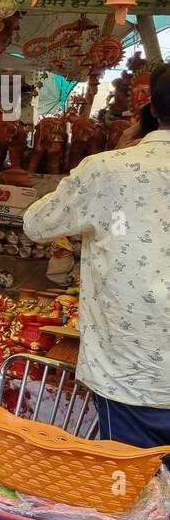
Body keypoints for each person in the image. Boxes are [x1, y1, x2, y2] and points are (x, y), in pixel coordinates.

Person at [22, 64, 170, 450]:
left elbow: (36, 223)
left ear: (150, 108)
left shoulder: (108, 170)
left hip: (127, 373)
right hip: (128, 372)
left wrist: (119, 157)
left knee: (134, 497)